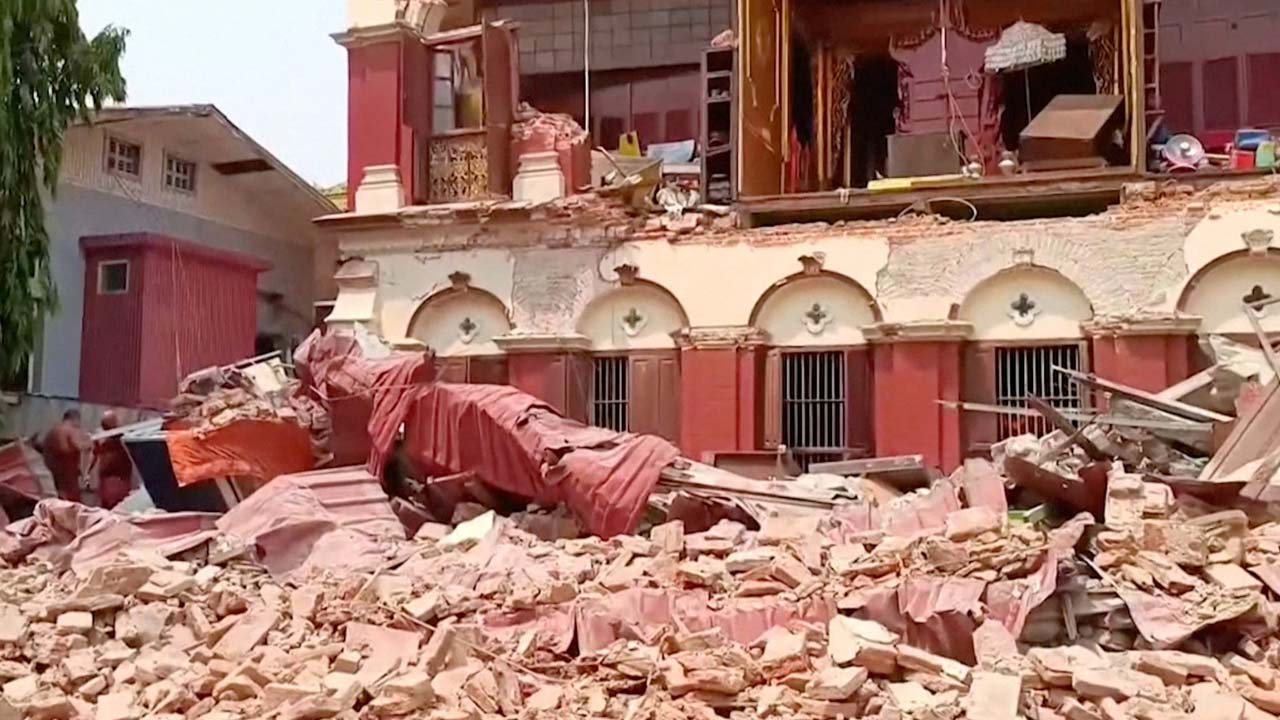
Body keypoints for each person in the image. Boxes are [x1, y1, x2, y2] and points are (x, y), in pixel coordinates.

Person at [41, 410, 89, 502]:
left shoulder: (52, 431)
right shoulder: (68, 430)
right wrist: (87, 443)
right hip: (66, 476)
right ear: (74, 419)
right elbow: (77, 446)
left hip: (51, 474)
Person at [91, 411, 134, 509]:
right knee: (113, 505)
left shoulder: (120, 436)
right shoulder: (102, 439)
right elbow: (95, 454)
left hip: (119, 476)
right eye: (116, 420)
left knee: (117, 505)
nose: (119, 422)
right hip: (112, 477)